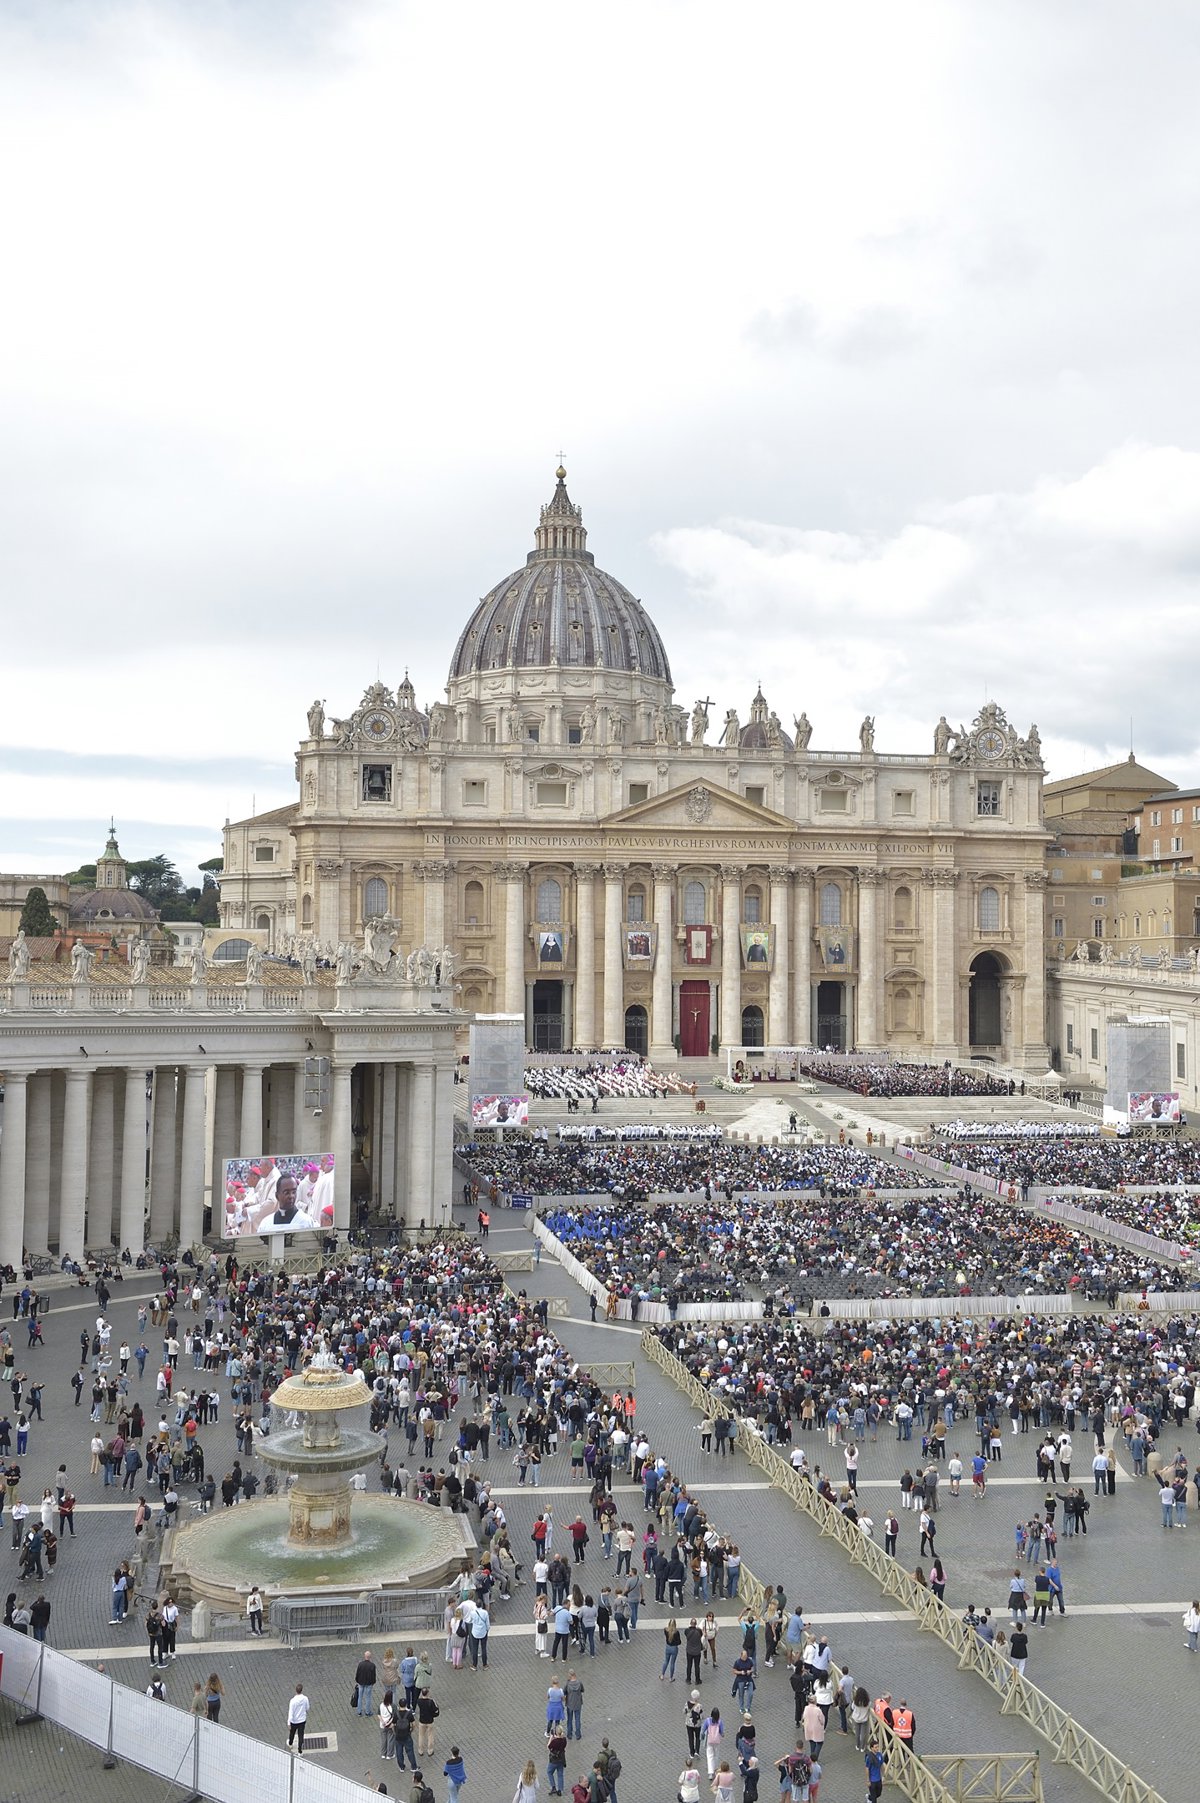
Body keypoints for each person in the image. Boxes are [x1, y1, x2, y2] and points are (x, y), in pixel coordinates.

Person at [288, 1683, 310, 1755]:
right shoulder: (305, 1699)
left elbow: (291, 1712)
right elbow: (307, 1708)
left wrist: (289, 1722)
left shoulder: (293, 1701)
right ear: (301, 1690)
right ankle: (300, 1751)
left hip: (294, 1721)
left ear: (296, 1690)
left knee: (292, 1733)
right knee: (301, 1735)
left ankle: (290, 1743)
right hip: (302, 1720)